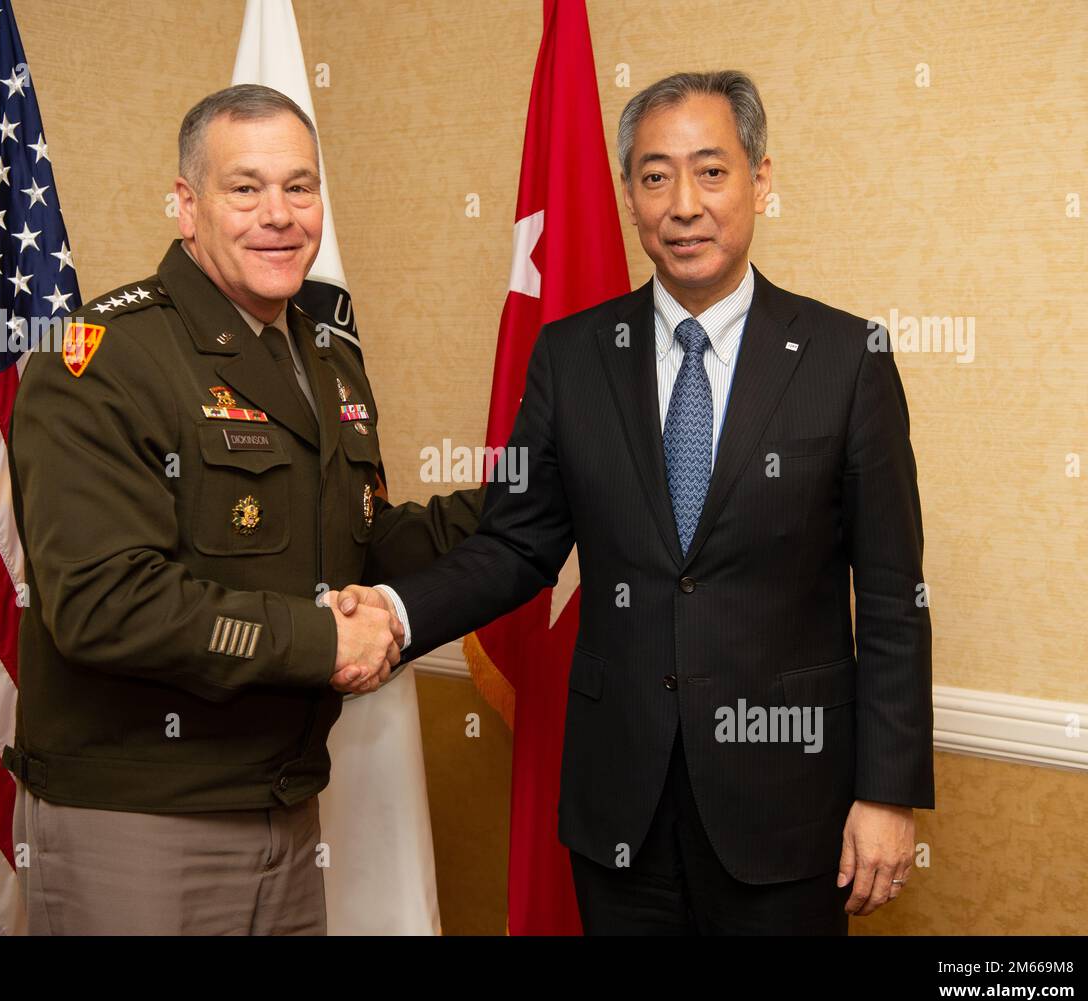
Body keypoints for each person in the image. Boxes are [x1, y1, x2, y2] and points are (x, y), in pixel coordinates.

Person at [331, 70, 934, 935]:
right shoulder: (573, 357)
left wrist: (887, 790)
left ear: (761, 179)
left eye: (712, 171)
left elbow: (890, 599)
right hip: (622, 811)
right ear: (629, 196)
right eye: (656, 176)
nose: (684, 203)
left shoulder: (847, 359)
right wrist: (393, 612)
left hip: (789, 808)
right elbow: (514, 545)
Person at [3, 84, 482, 935]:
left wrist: (545, 489)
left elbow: (366, 541)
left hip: (286, 810)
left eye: (299, 187)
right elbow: (105, 603)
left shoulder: (324, 356)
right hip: (142, 823)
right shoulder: (104, 358)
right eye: (245, 188)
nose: (280, 215)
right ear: (187, 206)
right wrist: (324, 638)